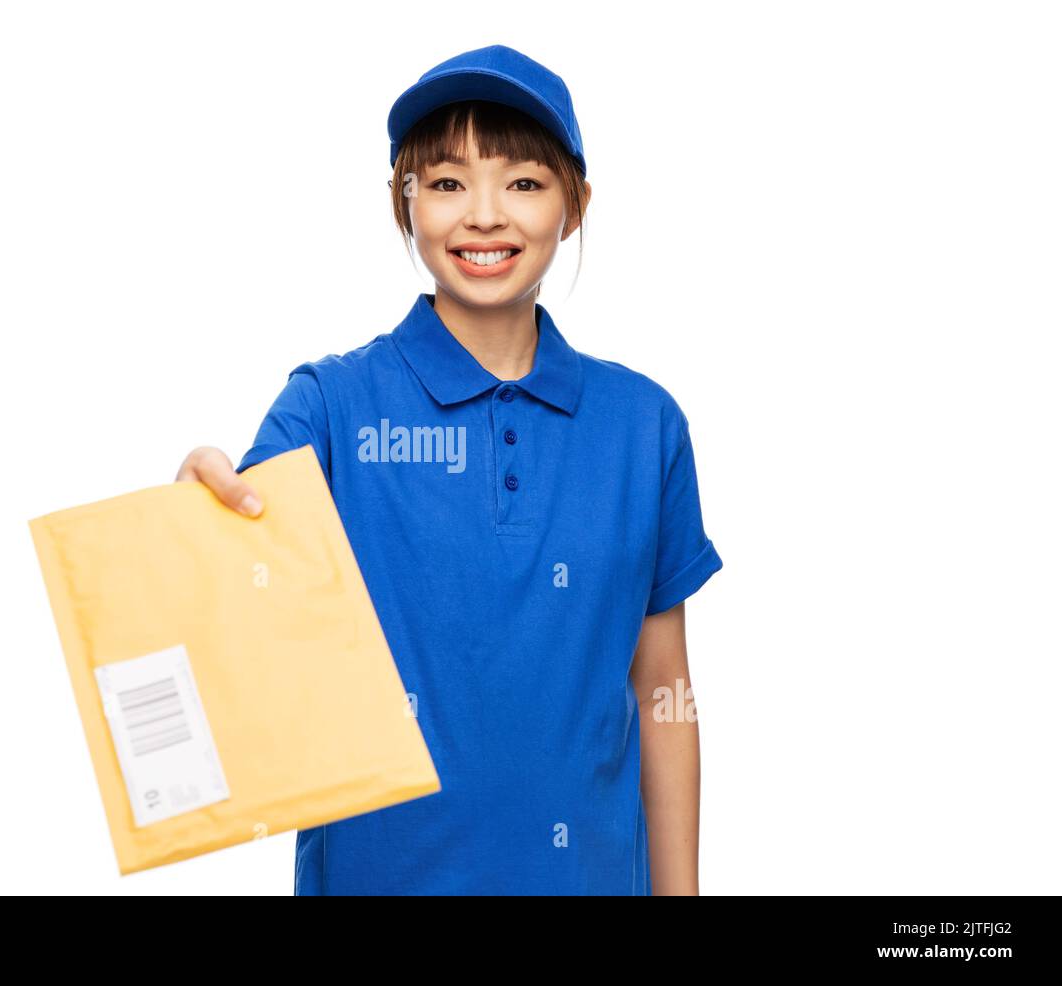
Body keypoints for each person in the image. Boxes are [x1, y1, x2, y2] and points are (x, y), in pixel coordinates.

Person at [175, 44, 723, 895]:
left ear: (574, 207)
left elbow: (665, 696)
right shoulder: (328, 406)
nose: (484, 216)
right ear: (406, 204)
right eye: (446, 183)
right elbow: (242, 605)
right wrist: (195, 525)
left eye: (524, 183)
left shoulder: (644, 427)